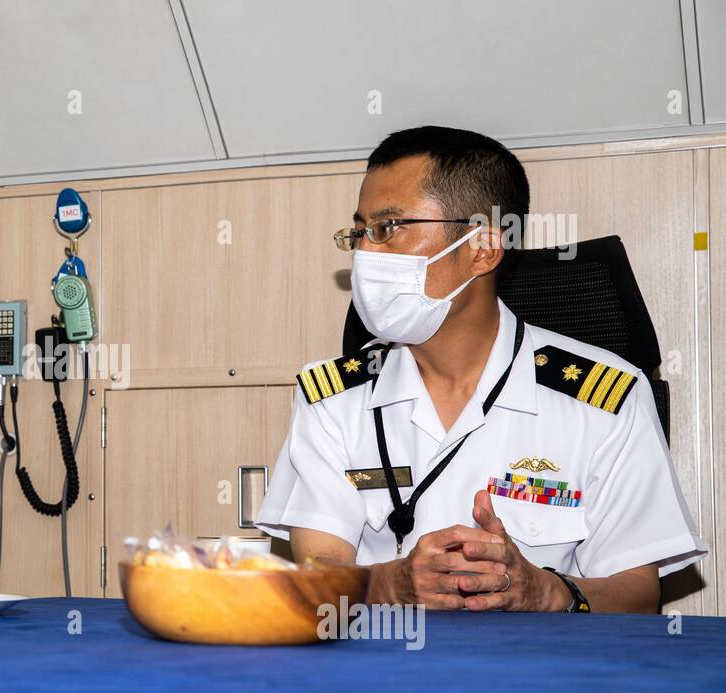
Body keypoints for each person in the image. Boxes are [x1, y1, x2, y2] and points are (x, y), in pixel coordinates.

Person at [255, 126, 704, 613]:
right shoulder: (331, 397)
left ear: (483, 247)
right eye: (360, 232)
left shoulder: (607, 396)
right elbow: (318, 571)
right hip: (379, 672)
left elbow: (637, 592)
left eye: (386, 229)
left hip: (540, 676)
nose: (365, 252)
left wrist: (546, 592)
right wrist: (393, 584)